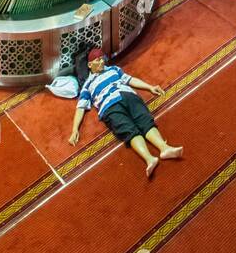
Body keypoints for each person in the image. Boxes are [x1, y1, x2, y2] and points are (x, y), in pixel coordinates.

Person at [68, 48, 182, 178]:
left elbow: (130, 80)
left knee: (145, 121)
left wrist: (150, 87)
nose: (101, 62)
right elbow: (81, 107)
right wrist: (74, 129)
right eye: (97, 60)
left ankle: (165, 148)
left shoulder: (114, 70)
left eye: (102, 59)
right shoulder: (87, 85)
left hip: (128, 95)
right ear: (90, 65)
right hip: (109, 106)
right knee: (129, 131)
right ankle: (149, 159)